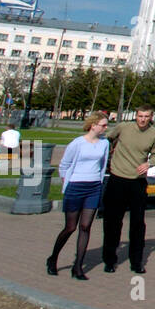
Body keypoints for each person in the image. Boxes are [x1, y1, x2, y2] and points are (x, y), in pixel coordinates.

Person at [48, 112, 110, 279]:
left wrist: (98, 181)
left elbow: (103, 164)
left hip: (93, 187)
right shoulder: (77, 143)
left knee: (85, 226)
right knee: (70, 227)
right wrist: (67, 182)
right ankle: (53, 258)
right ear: (93, 125)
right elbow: (64, 165)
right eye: (103, 125)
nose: (106, 128)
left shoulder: (104, 143)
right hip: (76, 186)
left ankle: (77, 267)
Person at [101, 106, 155, 274]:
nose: (142, 119)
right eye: (140, 116)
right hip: (117, 179)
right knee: (113, 222)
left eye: (146, 116)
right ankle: (109, 259)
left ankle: (136, 261)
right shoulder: (123, 127)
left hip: (137, 182)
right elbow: (107, 139)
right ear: (135, 116)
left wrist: (148, 163)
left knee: (137, 223)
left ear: (151, 117)